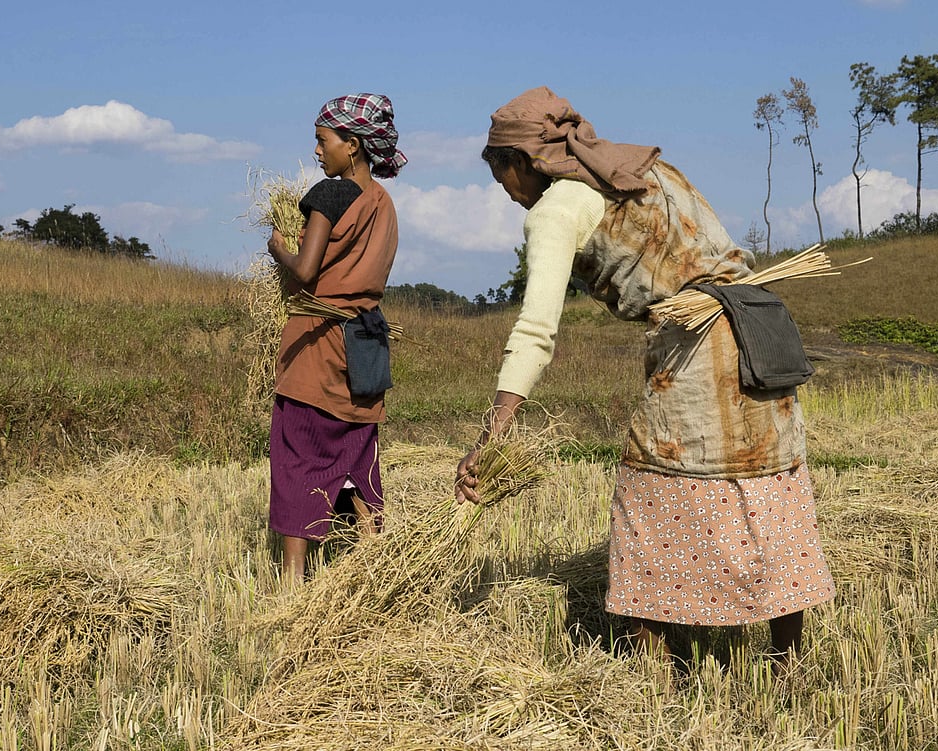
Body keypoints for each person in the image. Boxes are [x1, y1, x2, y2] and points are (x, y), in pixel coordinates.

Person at [454, 86, 834, 669]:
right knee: (767, 490)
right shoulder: (645, 170)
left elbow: (536, 329)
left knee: (652, 494)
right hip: (760, 329)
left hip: (700, 349)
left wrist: (493, 432)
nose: (509, 195)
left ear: (524, 162)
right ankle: (788, 658)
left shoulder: (556, 208)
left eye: (503, 178)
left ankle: (652, 667)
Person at [265, 93, 407, 584]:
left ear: (353, 144)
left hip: (319, 340)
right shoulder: (385, 205)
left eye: (323, 142)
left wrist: (280, 249)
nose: (318, 153)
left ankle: (293, 578)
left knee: (297, 453)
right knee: (356, 451)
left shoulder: (327, 196)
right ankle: (375, 564)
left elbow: (306, 271)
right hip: (366, 343)